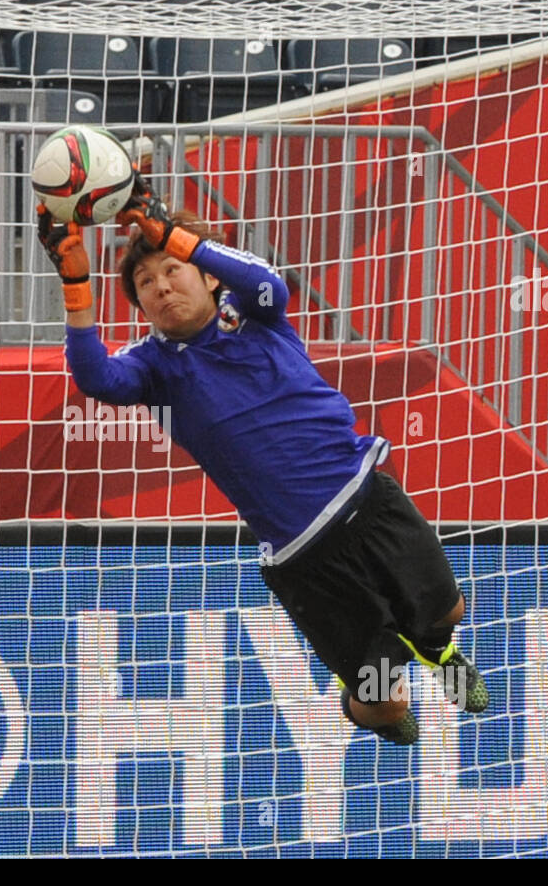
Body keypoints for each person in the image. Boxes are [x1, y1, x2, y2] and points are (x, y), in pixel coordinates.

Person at [36, 175, 488, 745]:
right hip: (308, 559)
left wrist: (171, 234)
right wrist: (76, 283)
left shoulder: (252, 312)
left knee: (446, 612)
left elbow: (269, 282)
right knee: (384, 700)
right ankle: (385, 706)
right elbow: (95, 376)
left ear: (205, 275)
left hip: (369, 502)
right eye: (145, 284)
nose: (160, 287)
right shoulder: (152, 366)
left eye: (171, 270)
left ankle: (438, 651)